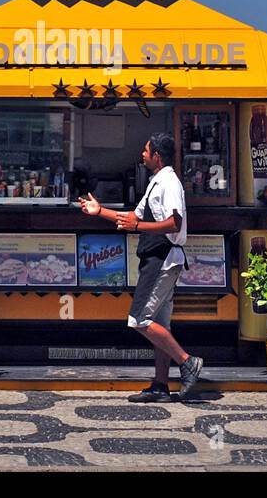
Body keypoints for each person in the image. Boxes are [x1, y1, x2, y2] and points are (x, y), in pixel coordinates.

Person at [79, 132, 204, 402]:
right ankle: (160, 386)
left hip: (163, 258)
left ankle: (187, 362)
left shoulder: (169, 182)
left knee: (139, 320)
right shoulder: (155, 183)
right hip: (156, 258)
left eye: (146, 151)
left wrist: (140, 226)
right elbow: (132, 218)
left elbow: (175, 223)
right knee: (160, 324)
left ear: (157, 156)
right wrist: (99, 210)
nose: (142, 155)